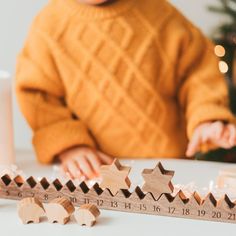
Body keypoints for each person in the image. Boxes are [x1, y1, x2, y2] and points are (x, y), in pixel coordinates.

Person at [16, 0, 236, 180]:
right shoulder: (48, 26)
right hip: (94, 175)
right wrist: (69, 145)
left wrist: (205, 117)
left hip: (170, 172)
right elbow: (37, 95)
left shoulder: (160, 14)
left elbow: (198, 70)